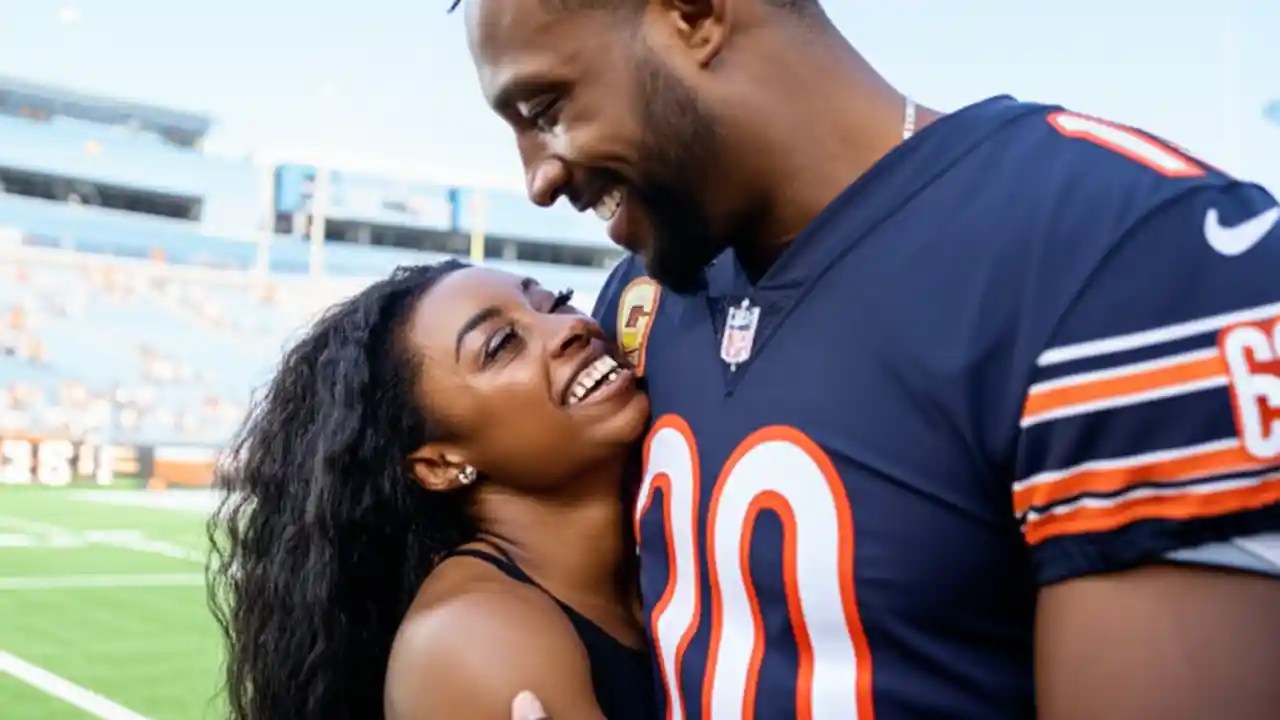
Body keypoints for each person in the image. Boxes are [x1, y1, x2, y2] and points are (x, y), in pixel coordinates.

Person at [459, 1, 1280, 718]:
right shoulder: (636, 303)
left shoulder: (1130, 250)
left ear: (695, 12)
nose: (538, 177)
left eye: (547, 107)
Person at [207, 261, 657, 719]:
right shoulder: (475, 636)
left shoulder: (657, 564)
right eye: (501, 345)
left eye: (555, 301)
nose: (571, 326)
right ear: (441, 465)